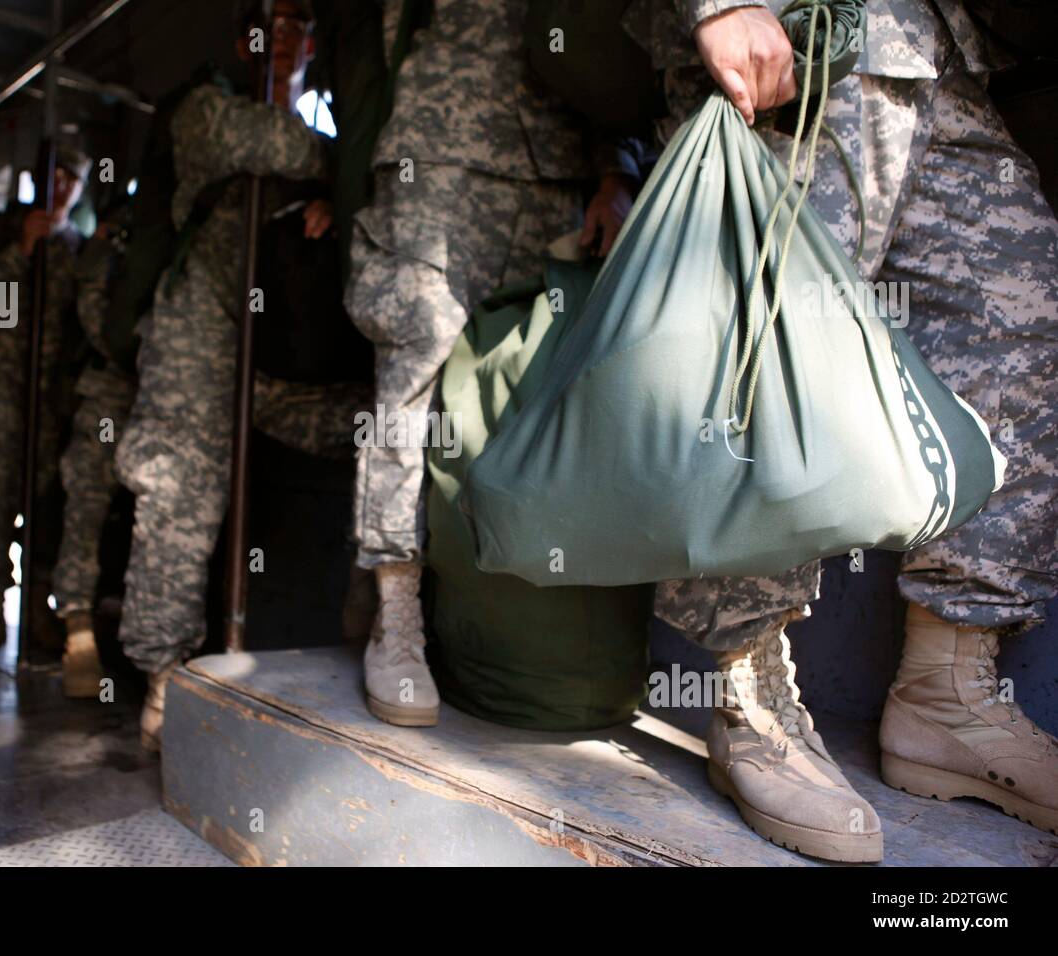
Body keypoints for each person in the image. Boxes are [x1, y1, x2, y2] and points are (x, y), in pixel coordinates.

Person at [625, 0, 1058, 859]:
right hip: (800, 33)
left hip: (930, 52)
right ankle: (747, 691)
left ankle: (947, 689)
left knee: (1019, 309)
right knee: (772, 335)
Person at [345, 0, 643, 727]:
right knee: (415, 370)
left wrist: (614, 169)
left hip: (560, 165)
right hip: (438, 150)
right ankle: (395, 607)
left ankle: (481, 622)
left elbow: (605, 48)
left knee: (527, 392)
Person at [115, 0, 371, 751]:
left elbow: (332, 167)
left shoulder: (322, 137)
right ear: (241, 39)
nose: (283, 38)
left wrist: (338, 199)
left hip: (284, 345)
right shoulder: (204, 108)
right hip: (202, 327)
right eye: (269, 24)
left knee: (382, 429)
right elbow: (261, 141)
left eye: (298, 25)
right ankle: (162, 678)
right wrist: (345, 172)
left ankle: (375, 630)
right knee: (178, 486)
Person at [0, 146, 92, 657]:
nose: (60, 187)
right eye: (53, 175)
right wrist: (20, 254)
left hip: (55, 404)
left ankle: (37, 612)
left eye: (71, 178)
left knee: (49, 510)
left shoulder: (81, 248)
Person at [51, 204, 138, 697]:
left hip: (171, 398)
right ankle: (78, 633)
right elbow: (97, 322)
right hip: (110, 395)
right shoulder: (117, 240)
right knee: (87, 500)